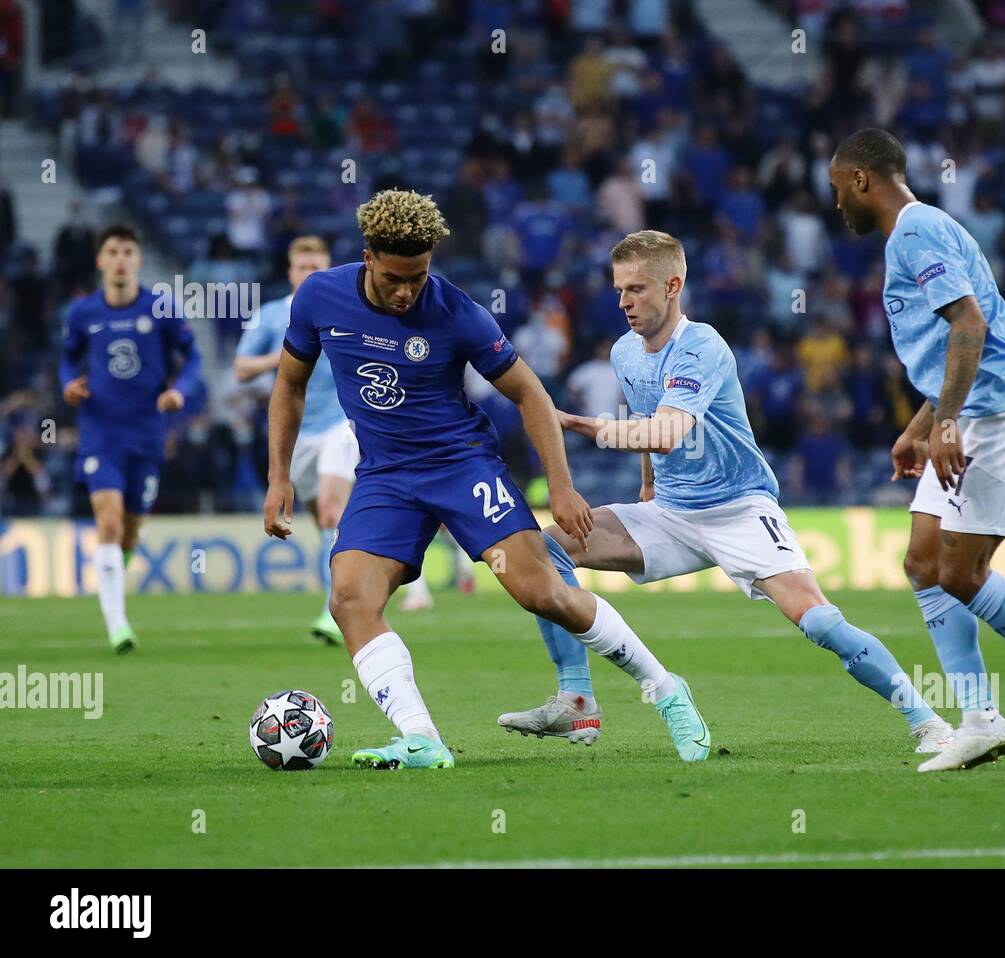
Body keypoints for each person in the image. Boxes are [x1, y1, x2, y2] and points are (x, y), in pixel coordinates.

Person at [263, 190, 710, 769]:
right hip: (386, 477)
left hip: (461, 467)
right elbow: (289, 386)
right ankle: (422, 740)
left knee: (541, 593)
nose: (407, 292)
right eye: (396, 278)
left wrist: (562, 486)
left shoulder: (455, 311)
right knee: (350, 600)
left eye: (419, 277)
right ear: (369, 257)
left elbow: (530, 394)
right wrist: (279, 477)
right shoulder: (319, 298)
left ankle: (667, 690)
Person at [496, 231, 953, 755]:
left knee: (821, 621)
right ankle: (576, 701)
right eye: (619, 289)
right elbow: (649, 418)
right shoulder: (626, 351)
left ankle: (928, 721)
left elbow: (668, 432)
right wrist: (647, 483)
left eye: (637, 289)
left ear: (673, 285)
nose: (623, 302)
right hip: (669, 512)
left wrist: (573, 423)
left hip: (739, 508)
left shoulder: (702, 346)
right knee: (542, 550)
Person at [828, 128, 1005, 772]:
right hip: (972, 411)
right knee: (923, 562)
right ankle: (980, 720)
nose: (837, 202)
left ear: (862, 179)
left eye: (837, 187)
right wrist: (923, 425)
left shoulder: (916, 233)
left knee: (960, 574)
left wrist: (946, 424)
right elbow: (957, 342)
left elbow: (970, 324)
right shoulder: (921, 230)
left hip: (1004, 414)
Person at [60, 224, 203, 652]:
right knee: (108, 520)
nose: (120, 259)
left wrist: (180, 390)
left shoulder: (160, 308)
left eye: (127, 251)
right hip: (100, 431)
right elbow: (67, 360)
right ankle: (117, 624)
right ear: (101, 261)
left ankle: (112, 576)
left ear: (138, 260)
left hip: (146, 434)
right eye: (112, 251)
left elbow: (192, 357)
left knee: (130, 530)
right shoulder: (83, 313)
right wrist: (69, 385)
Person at [236, 236, 356, 644]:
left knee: (329, 508)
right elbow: (240, 368)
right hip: (297, 433)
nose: (309, 274)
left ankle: (334, 609)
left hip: (341, 424)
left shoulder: (346, 308)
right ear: (290, 272)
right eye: (302, 267)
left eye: (316, 267)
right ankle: (346, 590)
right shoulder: (270, 316)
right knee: (319, 518)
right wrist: (286, 355)